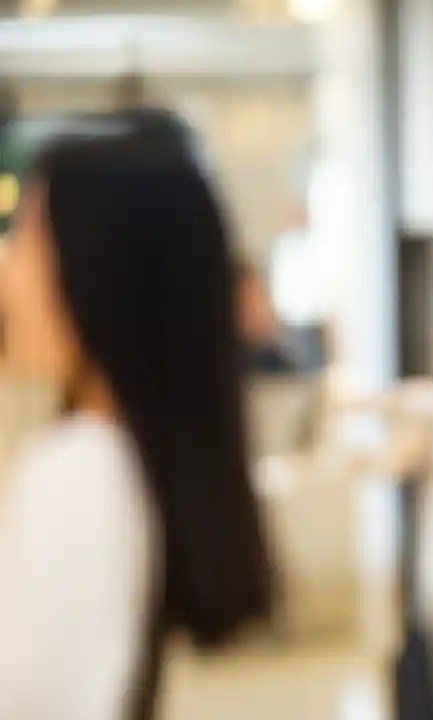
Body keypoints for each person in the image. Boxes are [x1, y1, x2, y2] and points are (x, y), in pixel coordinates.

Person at [0, 117, 274, 719]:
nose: (7, 272)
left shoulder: (75, 468)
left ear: (97, 271)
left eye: (26, 240)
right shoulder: (124, 462)